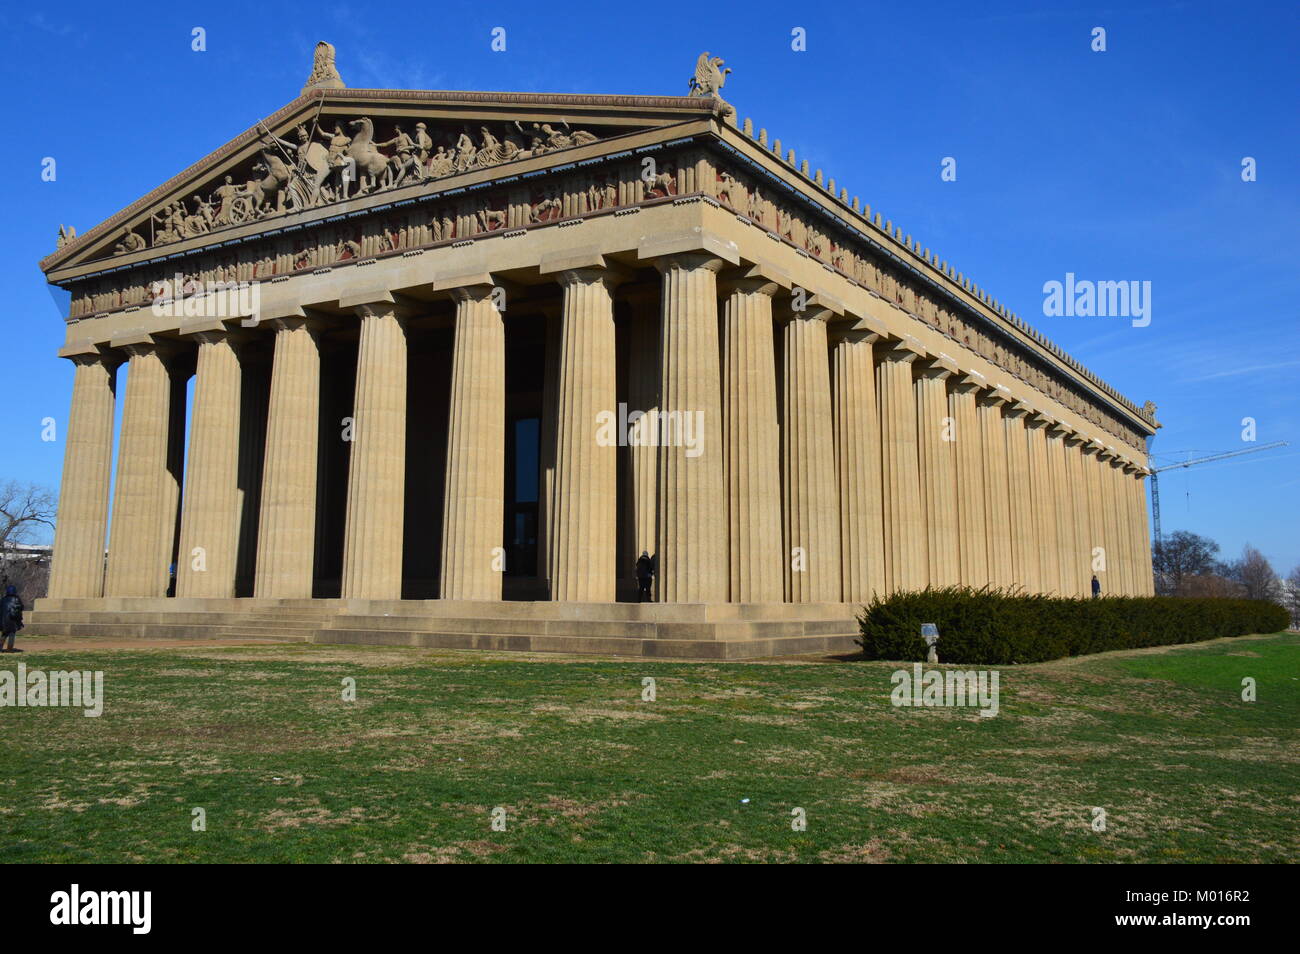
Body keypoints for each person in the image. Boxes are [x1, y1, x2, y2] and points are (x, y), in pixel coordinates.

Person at [0, 585, 24, 653]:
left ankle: (0, 648)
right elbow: (21, 607)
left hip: (3, 621)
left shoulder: (3, 599)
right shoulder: (16, 599)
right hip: (13, 620)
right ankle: (9, 649)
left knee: (4, 634)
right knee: (12, 635)